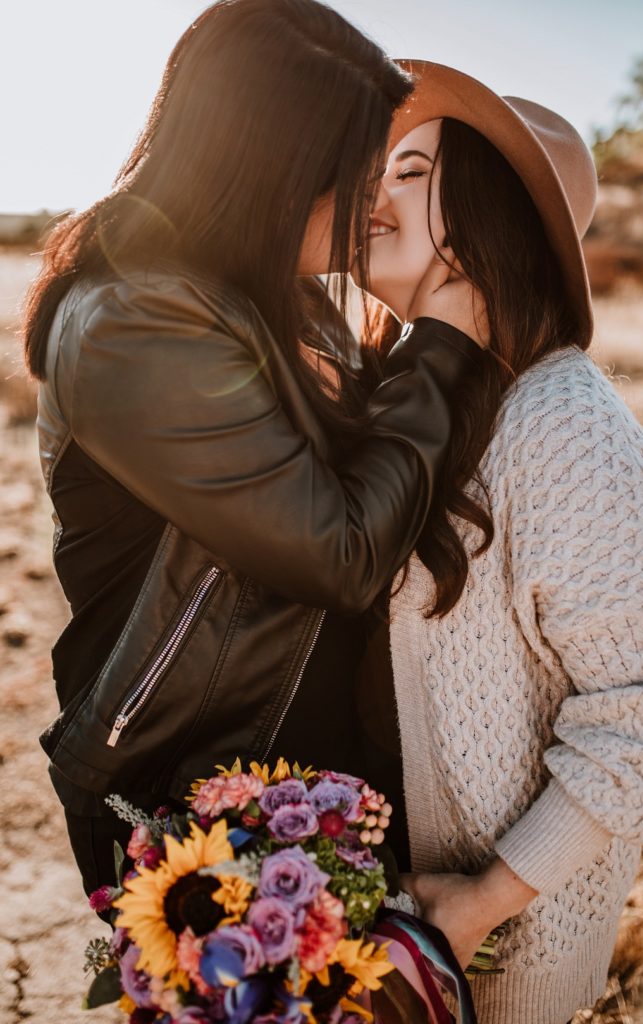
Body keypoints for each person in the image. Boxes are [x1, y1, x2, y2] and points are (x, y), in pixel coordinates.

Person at [23, 9, 488, 901]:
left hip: (311, 769)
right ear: (278, 167)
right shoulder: (132, 322)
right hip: (190, 793)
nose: (376, 200)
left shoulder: (285, 299)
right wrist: (437, 347)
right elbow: (340, 552)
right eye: (359, 173)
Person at [361, 61, 643, 1024]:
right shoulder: (404, 397)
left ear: (488, 215)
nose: (374, 194)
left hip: (487, 961)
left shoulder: (562, 424)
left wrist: (480, 903)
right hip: (365, 916)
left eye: (413, 173)